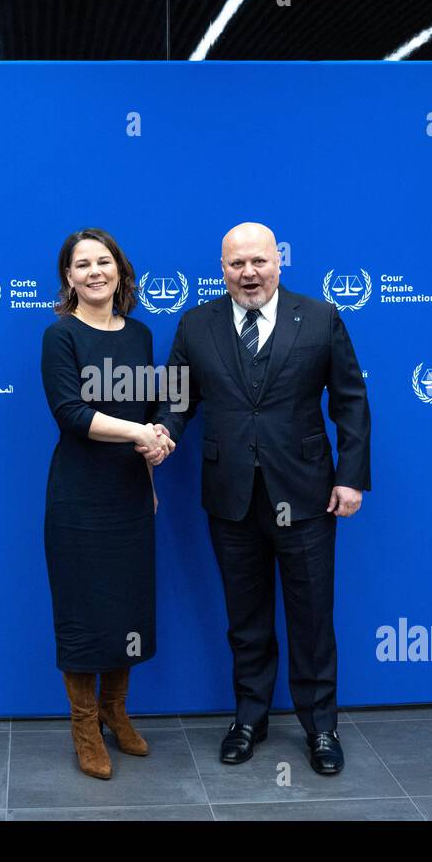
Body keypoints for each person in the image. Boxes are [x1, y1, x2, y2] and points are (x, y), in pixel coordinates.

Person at [140, 221, 370, 775]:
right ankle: (250, 718)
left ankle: (321, 727)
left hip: (309, 494)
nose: (248, 273)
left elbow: (351, 400)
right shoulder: (197, 323)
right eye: (237, 264)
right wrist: (163, 432)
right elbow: (176, 397)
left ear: (278, 262)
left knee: (312, 617)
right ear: (223, 268)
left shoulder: (319, 318)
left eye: (258, 262)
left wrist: (350, 476)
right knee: (246, 618)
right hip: (231, 496)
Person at [40, 227, 171, 780]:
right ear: (68, 278)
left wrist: (153, 457)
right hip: (78, 499)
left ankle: (118, 712)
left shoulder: (140, 334)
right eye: (82, 264)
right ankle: (84, 723)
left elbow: (152, 404)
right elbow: (71, 414)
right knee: (82, 612)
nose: (95, 272)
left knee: (127, 607)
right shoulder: (59, 336)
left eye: (104, 261)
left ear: (119, 269)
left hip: (129, 495)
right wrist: (142, 432)